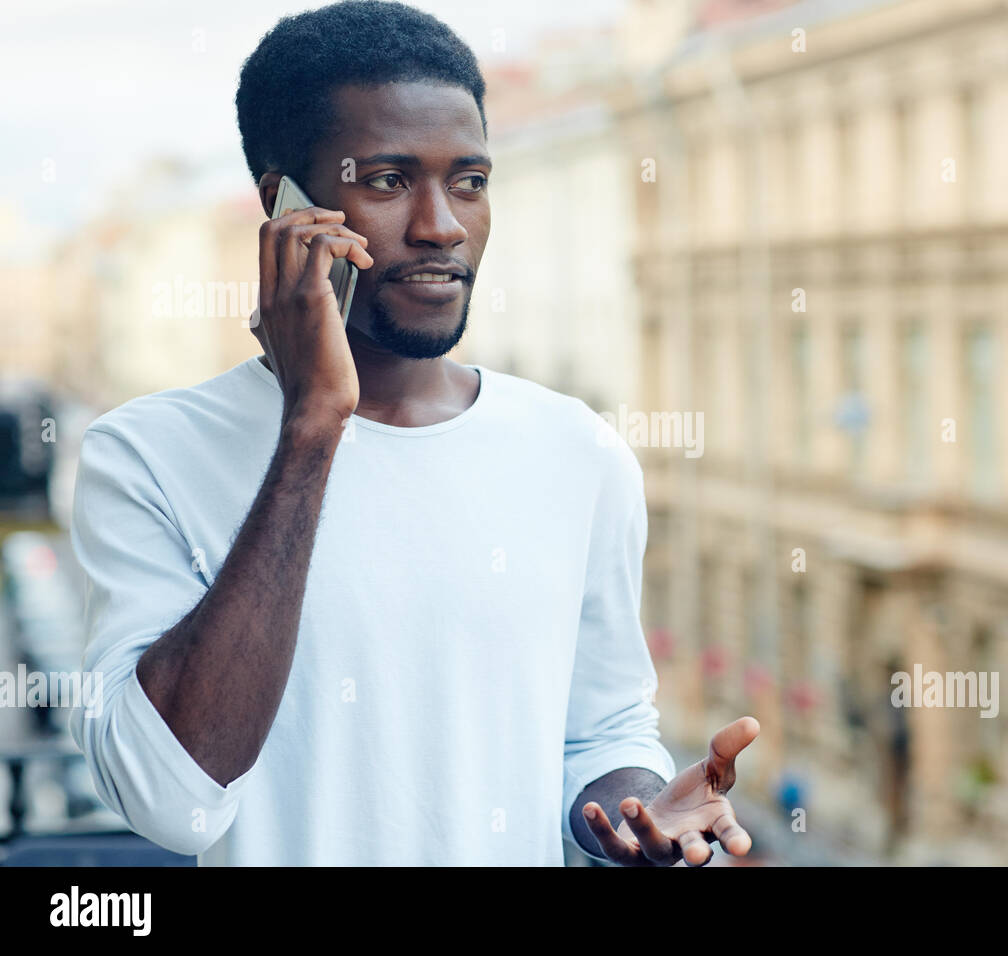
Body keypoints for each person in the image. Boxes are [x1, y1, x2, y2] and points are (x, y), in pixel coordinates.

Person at [68, 0, 758, 866]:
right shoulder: (146, 456)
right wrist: (314, 426)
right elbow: (172, 800)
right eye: (388, 180)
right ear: (283, 205)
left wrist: (633, 810)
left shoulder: (575, 451)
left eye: (469, 181)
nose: (442, 225)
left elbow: (600, 731)